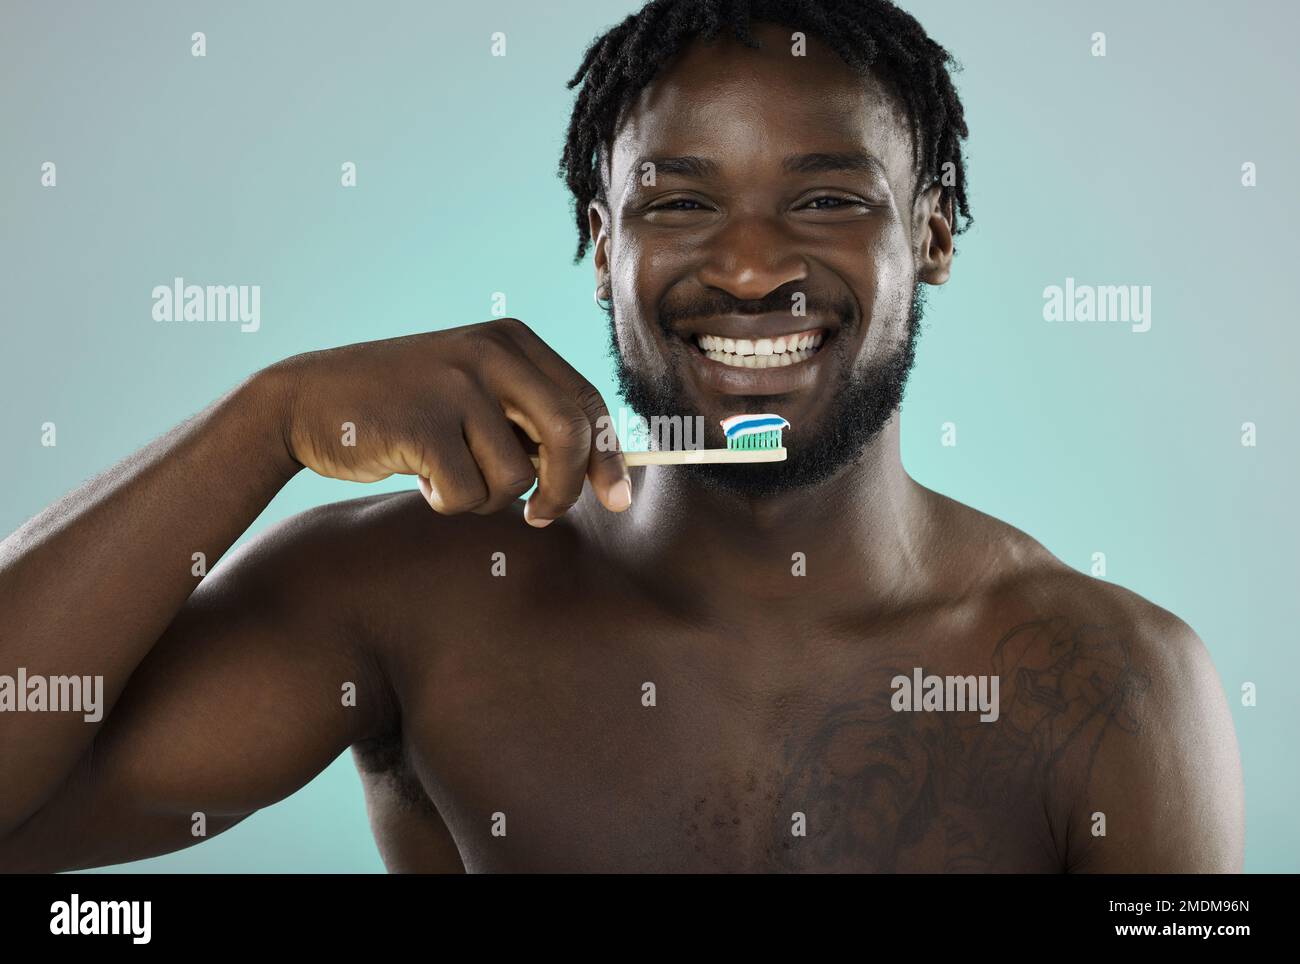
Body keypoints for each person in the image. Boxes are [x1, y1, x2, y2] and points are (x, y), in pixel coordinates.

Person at [0, 0, 1243, 872]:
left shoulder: (1107, 683)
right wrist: (261, 421)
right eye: (681, 201)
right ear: (603, 245)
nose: (751, 265)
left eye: (827, 197)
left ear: (930, 235)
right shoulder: (408, 594)